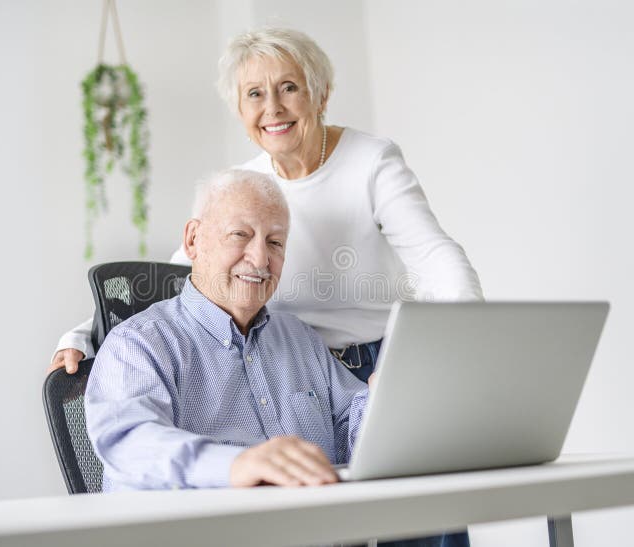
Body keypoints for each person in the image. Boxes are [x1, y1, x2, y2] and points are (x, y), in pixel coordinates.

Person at [51, 26, 483, 384]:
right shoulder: (247, 186)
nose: (272, 108)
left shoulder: (372, 160)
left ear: (322, 94)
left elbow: (435, 257)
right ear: (239, 110)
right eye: (254, 94)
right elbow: (178, 278)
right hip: (292, 372)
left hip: (383, 361)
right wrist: (85, 333)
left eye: (289, 88)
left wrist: (457, 343)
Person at [86, 169, 370, 491]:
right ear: (193, 239)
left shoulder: (300, 339)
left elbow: (353, 426)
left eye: (275, 242)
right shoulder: (139, 343)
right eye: (240, 235)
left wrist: (384, 401)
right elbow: (130, 442)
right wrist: (236, 465)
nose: (261, 258)